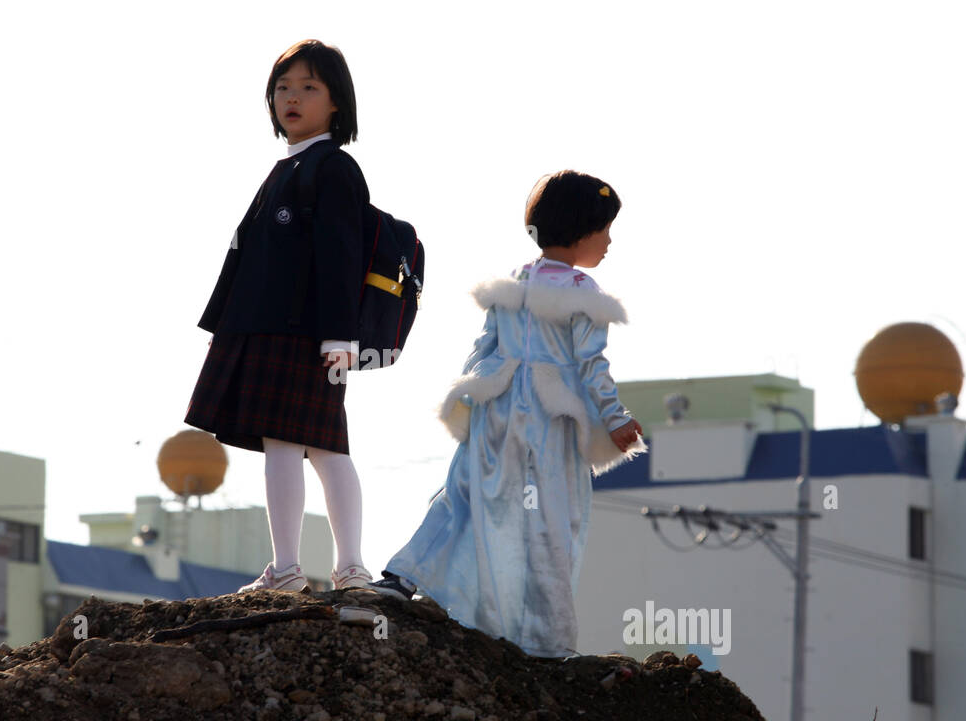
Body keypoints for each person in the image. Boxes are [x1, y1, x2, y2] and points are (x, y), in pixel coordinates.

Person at [370, 170, 648, 658]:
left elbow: (484, 348)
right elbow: (591, 366)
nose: (609, 242)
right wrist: (616, 418)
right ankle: (544, 641)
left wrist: (474, 395)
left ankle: (402, 578)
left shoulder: (513, 285)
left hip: (496, 413)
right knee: (546, 524)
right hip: (547, 425)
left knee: (463, 495)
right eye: (605, 229)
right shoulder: (584, 293)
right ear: (582, 229)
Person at [184, 39, 373, 594]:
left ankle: (295, 569)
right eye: (283, 88)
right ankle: (347, 569)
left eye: (308, 87)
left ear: (336, 101)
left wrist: (341, 336)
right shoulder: (291, 166)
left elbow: (342, 256)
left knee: (295, 444)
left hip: (299, 331)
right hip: (289, 329)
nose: (291, 97)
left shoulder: (332, 167)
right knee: (322, 444)